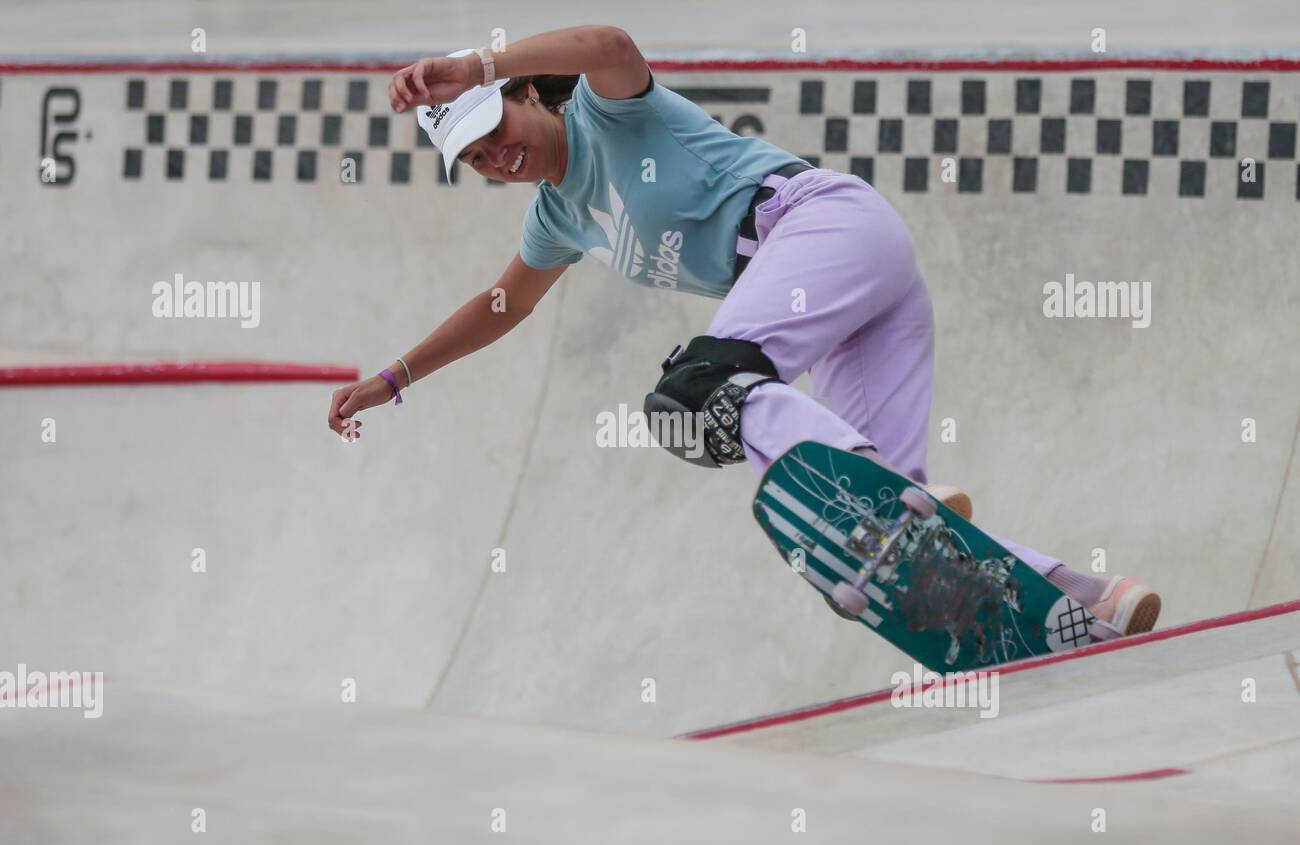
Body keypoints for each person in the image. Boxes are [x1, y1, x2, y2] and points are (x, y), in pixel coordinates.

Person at [327, 25, 1161, 638]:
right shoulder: (557, 220)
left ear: (523, 96)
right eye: (473, 161)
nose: (494, 159)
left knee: (698, 393)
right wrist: (394, 378)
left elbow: (610, 41)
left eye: (493, 133)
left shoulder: (604, 113)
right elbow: (498, 306)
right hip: (843, 306)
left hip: (823, 226)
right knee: (897, 551)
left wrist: (474, 63)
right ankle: (1094, 600)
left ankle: (879, 499)